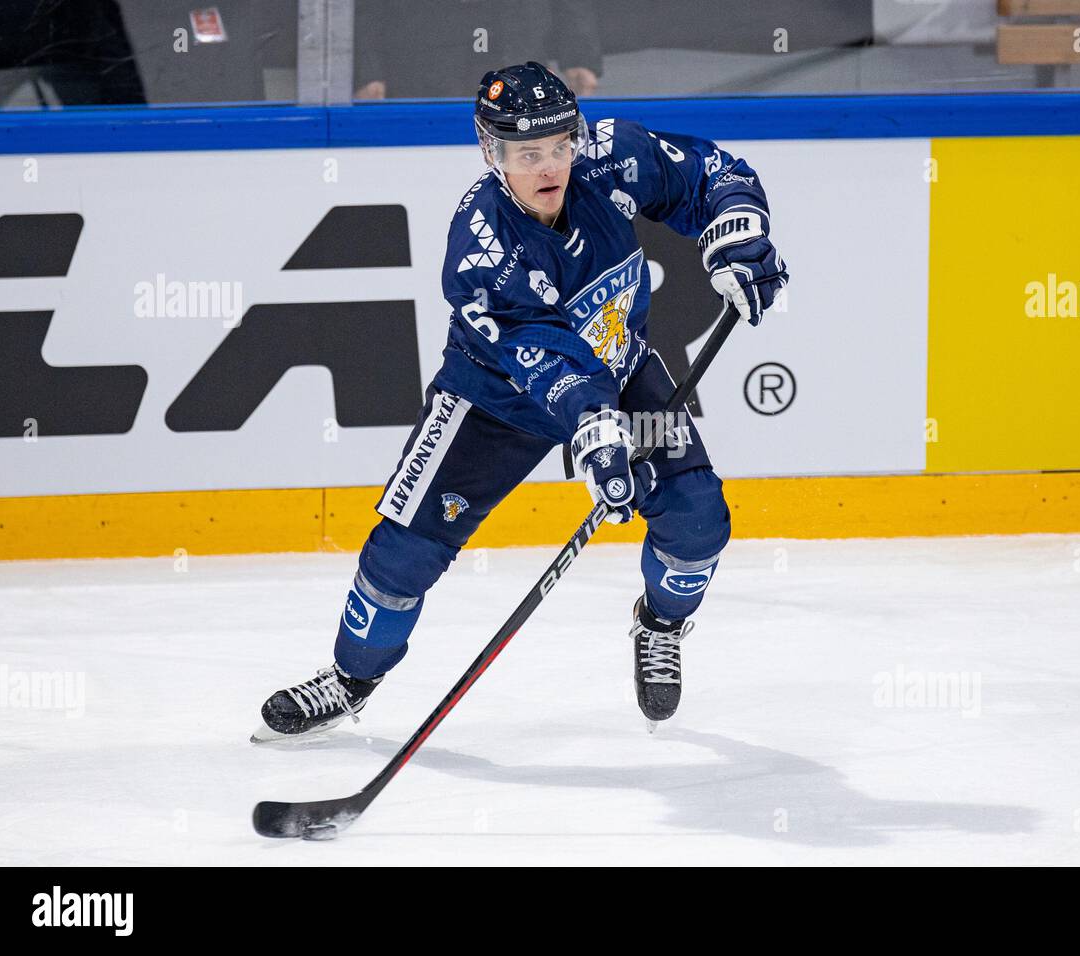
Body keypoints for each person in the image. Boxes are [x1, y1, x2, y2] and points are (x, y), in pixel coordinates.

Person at [252, 61, 787, 741]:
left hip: (620, 375)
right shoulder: (482, 248)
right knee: (402, 555)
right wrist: (595, 430)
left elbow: (709, 173)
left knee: (700, 521)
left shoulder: (609, 157)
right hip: (492, 406)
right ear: (492, 153)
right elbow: (547, 357)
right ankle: (351, 677)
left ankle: (660, 622)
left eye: (560, 145)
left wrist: (738, 233)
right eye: (527, 153)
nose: (549, 166)